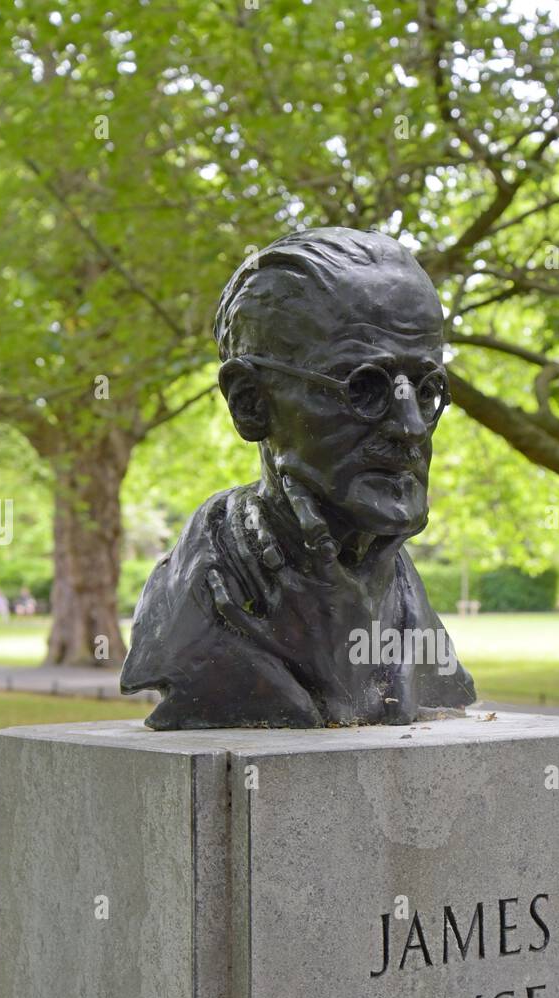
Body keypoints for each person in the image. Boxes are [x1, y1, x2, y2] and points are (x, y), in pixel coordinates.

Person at [121, 228, 476, 729]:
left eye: (427, 390)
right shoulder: (202, 595)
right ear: (250, 402)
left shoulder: (404, 593)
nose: (411, 428)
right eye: (366, 388)